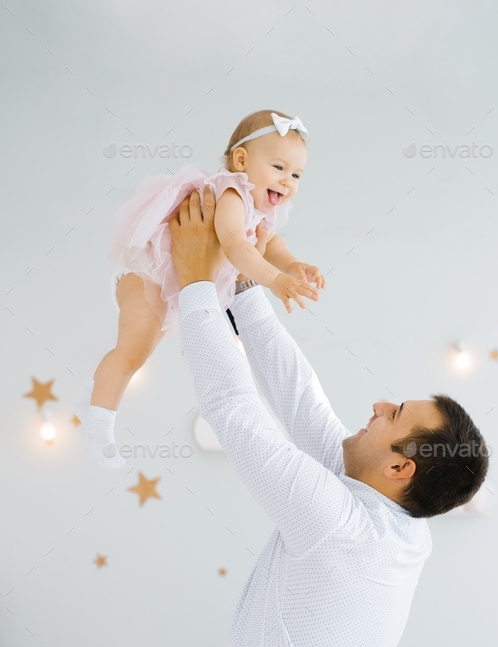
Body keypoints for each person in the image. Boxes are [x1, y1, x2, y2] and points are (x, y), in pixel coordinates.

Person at [169, 188, 489, 647]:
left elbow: (232, 407)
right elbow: (302, 400)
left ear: (402, 466)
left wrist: (196, 281)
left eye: (394, 411)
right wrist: (243, 279)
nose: (376, 403)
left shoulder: (342, 526)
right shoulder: (389, 526)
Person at [74, 109, 324, 469]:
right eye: (280, 168)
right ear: (241, 160)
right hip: (150, 278)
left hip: (169, 290)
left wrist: (294, 265)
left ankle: (92, 400)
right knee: (131, 353)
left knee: (137, 354)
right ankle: (98, 425)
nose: (288, 182)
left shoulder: (260, 207)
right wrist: (275, 280)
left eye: (297, 174)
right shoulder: (233, 194)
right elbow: (236, 244)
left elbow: (270, 244)